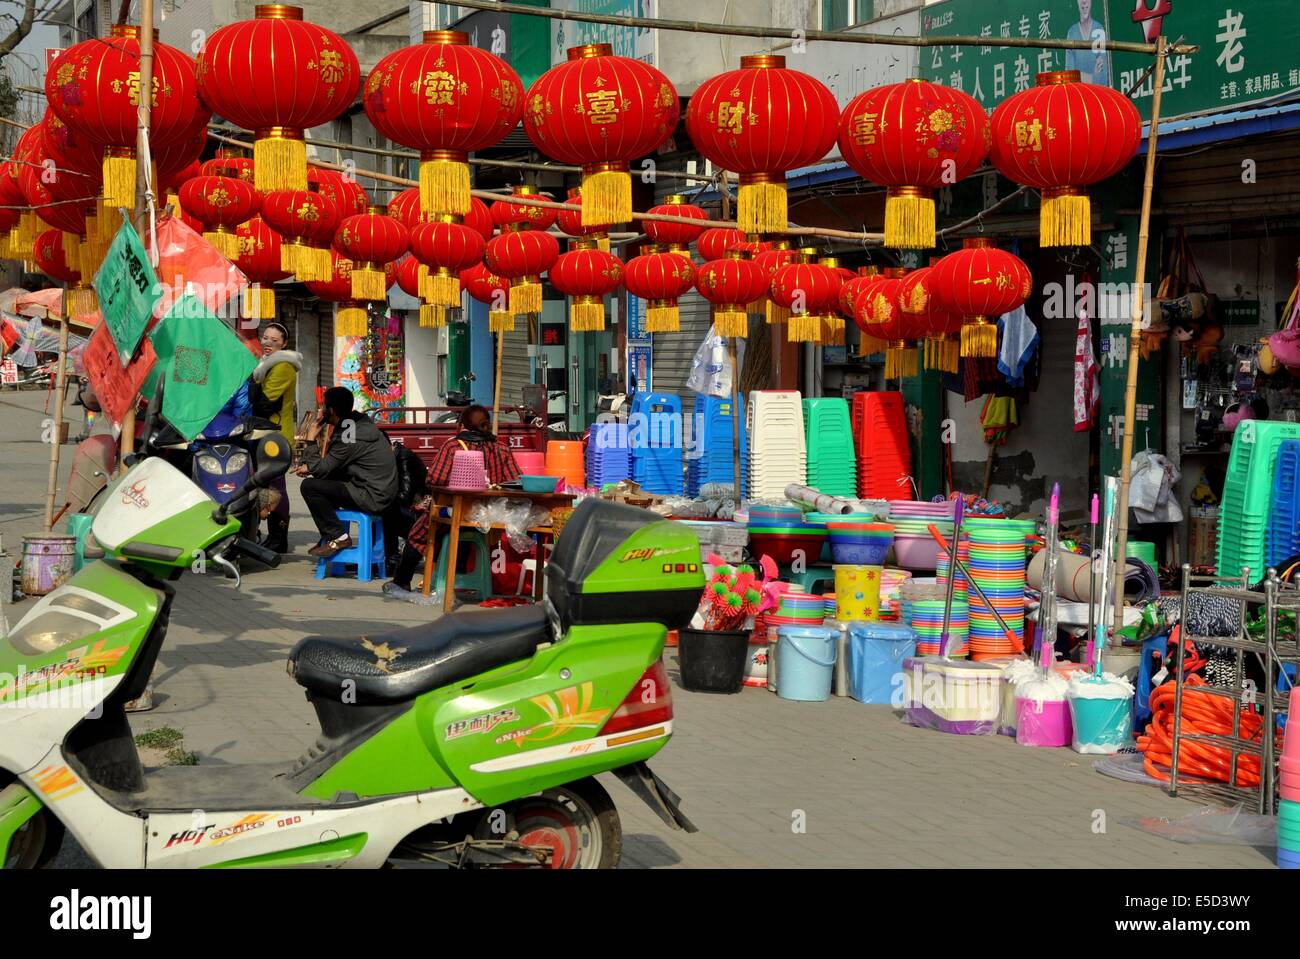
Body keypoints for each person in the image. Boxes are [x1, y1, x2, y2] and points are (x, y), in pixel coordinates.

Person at [385, 405, 520, 593]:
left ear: (462, 425)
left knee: (419, 533)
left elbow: (434, 479)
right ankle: (460, 576)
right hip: (490, 516)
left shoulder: (453, 446)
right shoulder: (502, 449)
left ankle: (401, 581)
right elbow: (514, 481)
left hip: (455, 512)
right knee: (459, 533)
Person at [297, 387, 399, 559]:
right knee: (325, 480)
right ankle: (329, 535)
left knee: (309, 487)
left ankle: (338, 536)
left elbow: (323, 471)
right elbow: (335, 464)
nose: (321, 411)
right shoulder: (356, 423)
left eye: (323, 407)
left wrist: (310, 440)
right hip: (378, 490)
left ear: (331, 411)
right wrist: (311, 467)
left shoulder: (348, 434)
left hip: (372, 496)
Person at [247, 322, 302, 554]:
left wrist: (251, 384)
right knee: (265, 485)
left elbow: (263, 402)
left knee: (276, 487)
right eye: (266, 338)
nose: (268, 343)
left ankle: (279, 538)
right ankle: (270, 536)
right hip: (264, 434)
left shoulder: (283, 367)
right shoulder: (265, 365)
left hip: (276, 437)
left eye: (275, 340)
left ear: (284, 344)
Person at [1065, 0, 1108, 86]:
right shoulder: (1072, 33)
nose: (1084, 2)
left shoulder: (1098, 30)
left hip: (1097, 93)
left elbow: (1103, 78)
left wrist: (1080, 76)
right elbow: (1069, 76)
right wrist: (1093, 76)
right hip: (1078, 93)